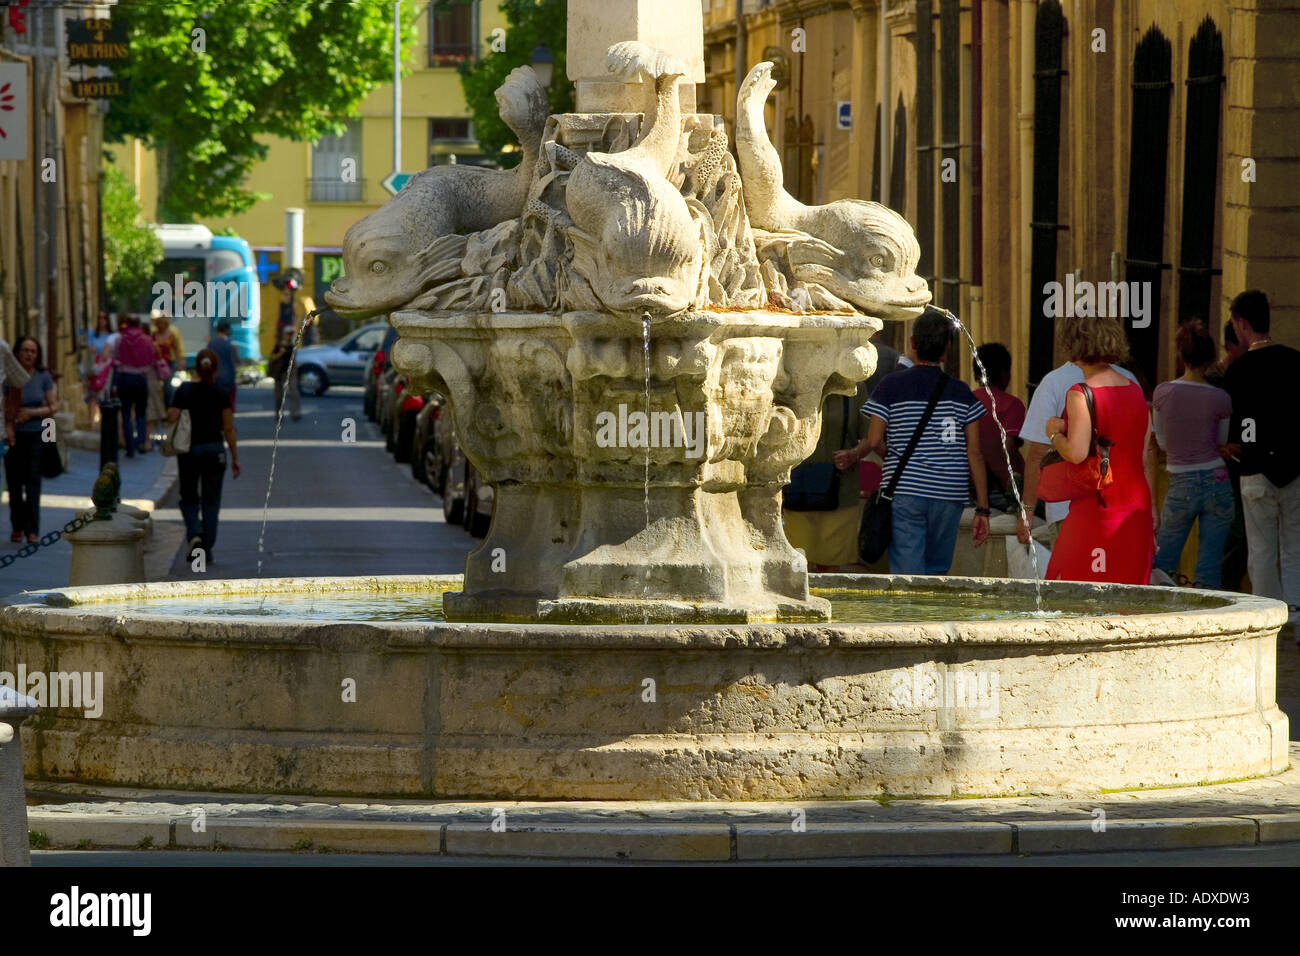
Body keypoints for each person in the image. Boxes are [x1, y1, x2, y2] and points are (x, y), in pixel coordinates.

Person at [841, 308, 990, 574]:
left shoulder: (891, 386)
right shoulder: (962, 392)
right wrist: (983, 508)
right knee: (937, 570)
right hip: (950, 492)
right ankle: (934, 615)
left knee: (908, 573)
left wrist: (899, 460)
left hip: (906, 491)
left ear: (912, 345)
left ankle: (910, 616)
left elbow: (874, 440)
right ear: (946, 350)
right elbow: (975, 452)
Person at [1038, 314, 1155, 584]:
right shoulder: (1135, 390)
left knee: (1075, 593)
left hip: (1098, 508)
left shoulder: (1080, 393)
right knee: (1128, 598)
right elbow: (1144, 451)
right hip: (1136, 507)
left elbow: (1076, 453)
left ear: (1074, 346)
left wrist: (1054, 432)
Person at [1222, 289, 1300, 624]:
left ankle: (1270, 620)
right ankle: (1297, 616)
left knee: (1262, 553)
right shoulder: (1296, 362)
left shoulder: (1238, 373)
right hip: (1295, 469)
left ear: (1241, 324)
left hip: (1254, 471)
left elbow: (1237, 429)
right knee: (1295, 549)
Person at [1017, 339, 1141, 545]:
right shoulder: (1129, 380)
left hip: (1066, 508)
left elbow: (1039, 453)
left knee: (1072, 575)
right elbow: (1145, 452)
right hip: (1120, 504)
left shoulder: (1055, 382)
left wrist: (1027, 510)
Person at [1151, 320, 1234, 588]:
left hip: (1180, 481)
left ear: (1181, 354)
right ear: (1210, 357)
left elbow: (1162, 443)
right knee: (1209, 567)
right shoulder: (1221, 398)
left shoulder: (1164, 393)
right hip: (1217, 479)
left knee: (1163, 563)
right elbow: (1220, 441)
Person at [169, 348, 241, 560]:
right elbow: (228, 428)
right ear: (216, 369)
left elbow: (171, 416)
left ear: (197, 368)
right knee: (211, 501)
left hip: (189, 451)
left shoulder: (184, 390)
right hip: (214, 450)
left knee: (189, 497)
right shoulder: (221, 393)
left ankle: (195, 534)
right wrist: (235, 457)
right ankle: (206, 546)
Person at [4, 337, 58, 545]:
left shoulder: (43, 377)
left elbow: (53, 406)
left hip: (36, 433)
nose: (29, 355)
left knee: (33, 481)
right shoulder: (9, 377)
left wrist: (31, 413)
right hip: (13, 434)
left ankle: (32, 529)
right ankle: (17, 526)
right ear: (17, 353)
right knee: (15, 482)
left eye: (33, 351)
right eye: (25, 350)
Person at [972, 342, 1026, 514]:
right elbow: (1009, 446)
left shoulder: (966, 401)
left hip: (968, 488)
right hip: (1001, 491)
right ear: (1004, 372)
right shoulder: (1012, 405)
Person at [112, 314, 158, 457]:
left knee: (126, 413)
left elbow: (115, 358)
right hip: (140, 378)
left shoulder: (120, 339)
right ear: (139, 325)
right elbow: (152, 358)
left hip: (124, 378)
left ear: (127, 324)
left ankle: (129, 447)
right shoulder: (147, 340)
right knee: (141, 412)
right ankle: (140, 443)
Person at [268, 326, 302, 421]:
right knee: (279, 395)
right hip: (279, 372)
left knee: (294, 392)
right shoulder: (279, 345)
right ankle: (278, 414)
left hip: (291, 372)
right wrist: (280, 353)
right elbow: (272, 357)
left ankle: (295, 413)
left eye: (291, 334)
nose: (289, 336)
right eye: (288, 334)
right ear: (284, 334)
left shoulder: (293, 345)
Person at [207, 320, 240, 411]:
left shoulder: (211, 344)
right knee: (229, 406)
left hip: (215, 379)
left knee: (216, 405)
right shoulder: (231, 345)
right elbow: (236, 360)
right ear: (226, 331)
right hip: (229, 379)